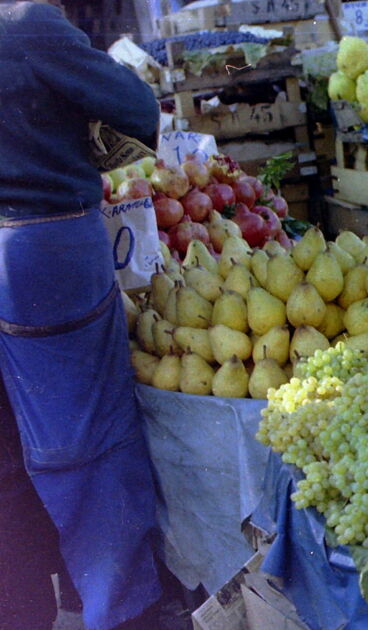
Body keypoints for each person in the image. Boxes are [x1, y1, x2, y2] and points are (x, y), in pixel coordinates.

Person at [0, 2, 164, 629]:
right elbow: (135, 107)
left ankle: (25, 608)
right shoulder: (27, 20)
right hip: (44, 249)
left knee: (10, 452)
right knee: (87, 441)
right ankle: (119, 611)